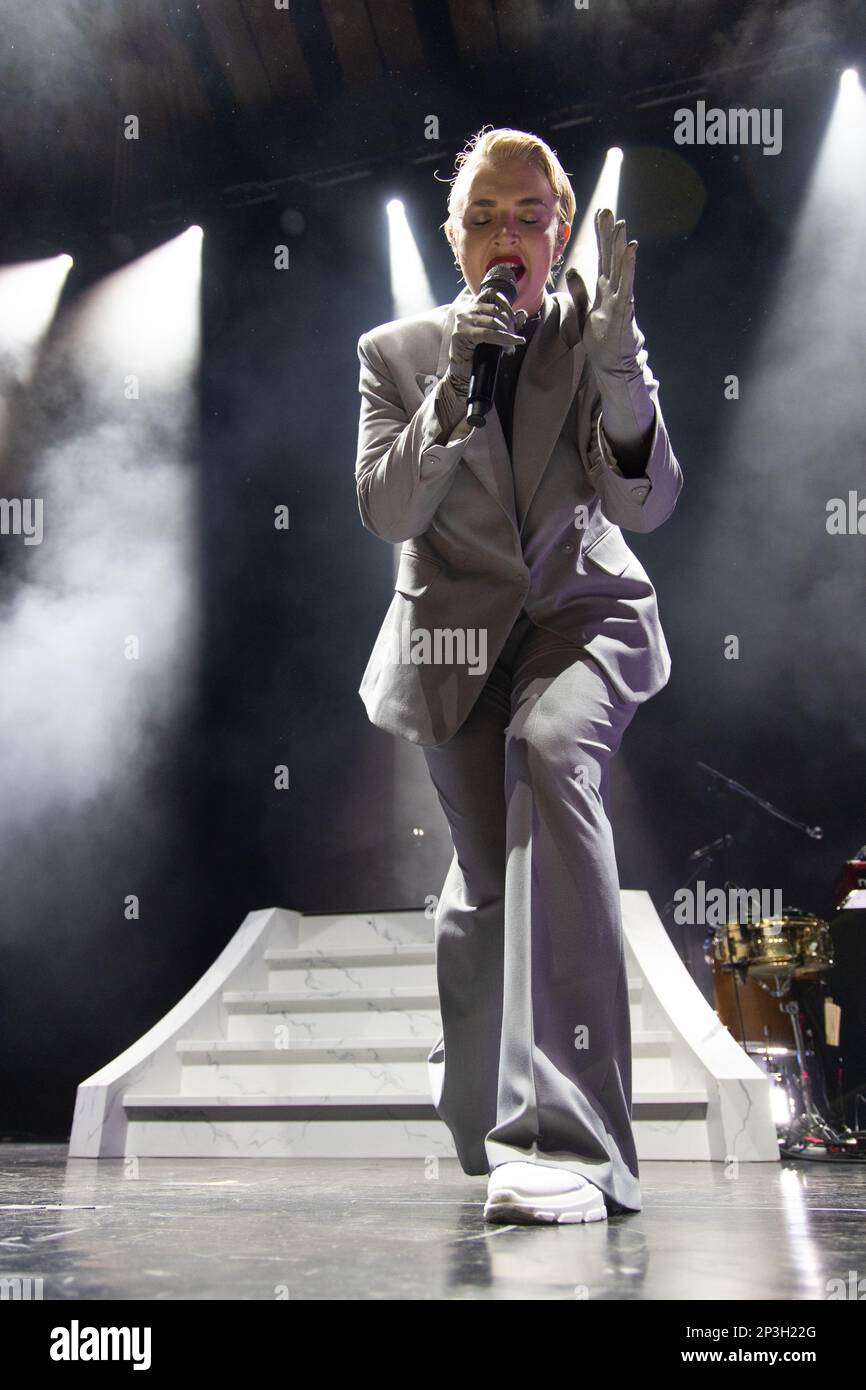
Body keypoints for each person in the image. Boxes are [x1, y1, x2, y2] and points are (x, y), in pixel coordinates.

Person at [354, 126, 683, 1225]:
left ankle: (575, 1143)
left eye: (531, 216)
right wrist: (451, 388)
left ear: (561, 226)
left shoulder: (592, 332)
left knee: (549, 758)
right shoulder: (395, 354)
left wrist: (621, 364)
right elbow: (388, 512)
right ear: (454, 238)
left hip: (578, 618)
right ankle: (480, 1106)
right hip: (451, 647)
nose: (509, 235)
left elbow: (645, 501)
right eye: (485, 216)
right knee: (491, 883)